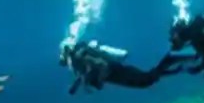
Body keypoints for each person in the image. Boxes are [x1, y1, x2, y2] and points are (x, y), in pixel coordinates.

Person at [60, 40, 193, 94]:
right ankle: (176, 66)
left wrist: (100, 79)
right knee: (148, 79)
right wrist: (77, 85)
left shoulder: (80, 57)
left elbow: (102, 65)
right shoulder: (80, 60)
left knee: (147, 80)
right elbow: (86, 74)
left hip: (118, 73)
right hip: (118, 72)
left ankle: (171, 59)